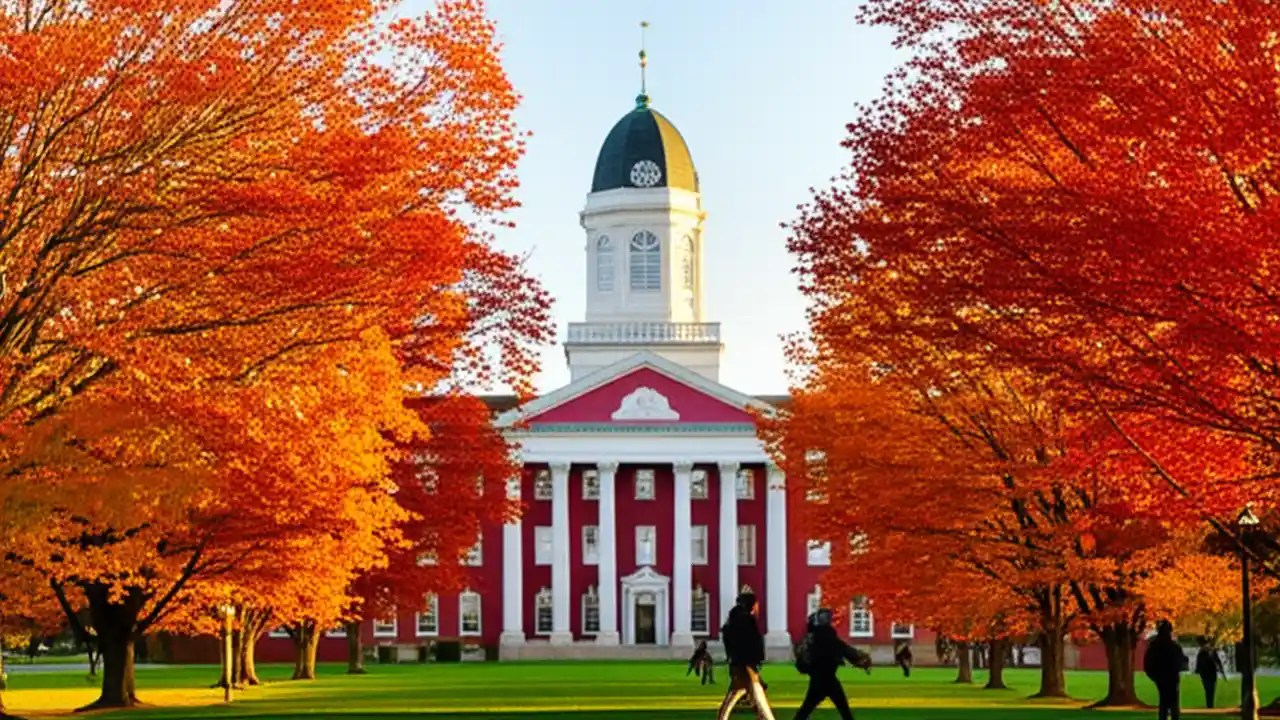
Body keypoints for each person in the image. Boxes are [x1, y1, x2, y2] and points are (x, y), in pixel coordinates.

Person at [794, 608, 871, 720]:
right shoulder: (831, 637)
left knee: (804, 712)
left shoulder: (811, 639)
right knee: (845, 713)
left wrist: (809, 669)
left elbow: (801, 662)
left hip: (817, 681)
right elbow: (847, 651)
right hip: (830, 680)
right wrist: (861, 659)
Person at [717, 592, 776, 720]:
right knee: (759, 698)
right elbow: (753, 643)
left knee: (734, 696)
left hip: (737, 664)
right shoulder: (748, 621)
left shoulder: (731, 622)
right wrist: (757, 661)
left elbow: (730, 645)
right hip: (747, 667)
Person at [1144, 620, 1187, 720]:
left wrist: (1153, 675)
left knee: (1163, 700)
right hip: (1171, 677)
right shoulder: (1174, 646)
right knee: (1173, 702)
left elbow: (1148, 662)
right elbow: (1180, 661)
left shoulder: (1154, 646)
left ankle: (1163, 716)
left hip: (1160, 677)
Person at [1193, 637, 1226, 709]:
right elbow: (1218, 661)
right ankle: (1210, 704)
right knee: (1211, 688)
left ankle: (1209, 704)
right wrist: (1222, 671)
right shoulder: (1211, 650)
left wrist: (1197, 670)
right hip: (1211, 671)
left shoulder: (1202, 652)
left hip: (1205, 672)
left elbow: (1199, 662)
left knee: (1207, 688)